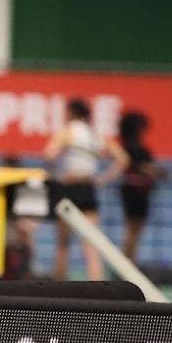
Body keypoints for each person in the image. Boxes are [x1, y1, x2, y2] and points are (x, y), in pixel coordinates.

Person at [43, 97, 127, 281]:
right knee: (91, 244)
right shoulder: (95, 135)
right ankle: (97, 290)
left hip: (68, 188)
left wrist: (55, 173)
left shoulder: (68, 131)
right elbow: (123, 159)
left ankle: (57, 290)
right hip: (88, 188)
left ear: (71, 113)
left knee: (63, 244)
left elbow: (49, 154)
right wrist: (102, 179)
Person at [115, 111, 167, 261]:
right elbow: (142, 166)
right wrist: (159, 172)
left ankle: (130, 261)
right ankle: (127, 262)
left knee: (133, 230)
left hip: (137, 191)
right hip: (135, 192)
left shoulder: (128, 145)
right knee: (133, 229)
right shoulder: (133, 147)